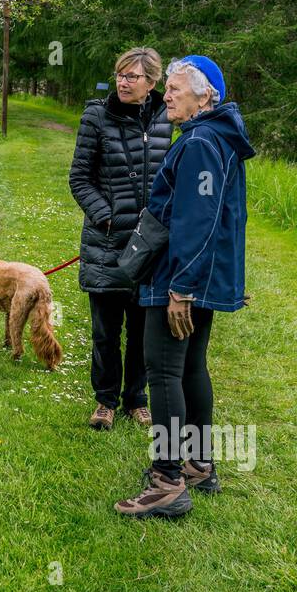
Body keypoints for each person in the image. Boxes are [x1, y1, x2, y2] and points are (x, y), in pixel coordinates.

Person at [114, 55, 254, 519]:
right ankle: (197, 463)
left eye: (175, 89)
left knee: (164, 371)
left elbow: (196, 223)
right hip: (198, 276)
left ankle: (167, 481)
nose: (166, 95)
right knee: (192, 366)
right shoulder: (216, 137)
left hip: (180, 276)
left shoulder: (199, 143)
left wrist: (182, 290)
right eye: (167, 88)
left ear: (204, 95)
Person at [69, 47, 172, 431]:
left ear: (152, 82)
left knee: (144, 328)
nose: (124, 82)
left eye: (133, 77)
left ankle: (136, 399)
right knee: (106, 331)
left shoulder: (165, 117)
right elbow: (79, 177)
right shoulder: (97, 116)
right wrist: (105, 216)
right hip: (107, 242)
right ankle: (105, 401)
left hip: (150, 244)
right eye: (120, 75)